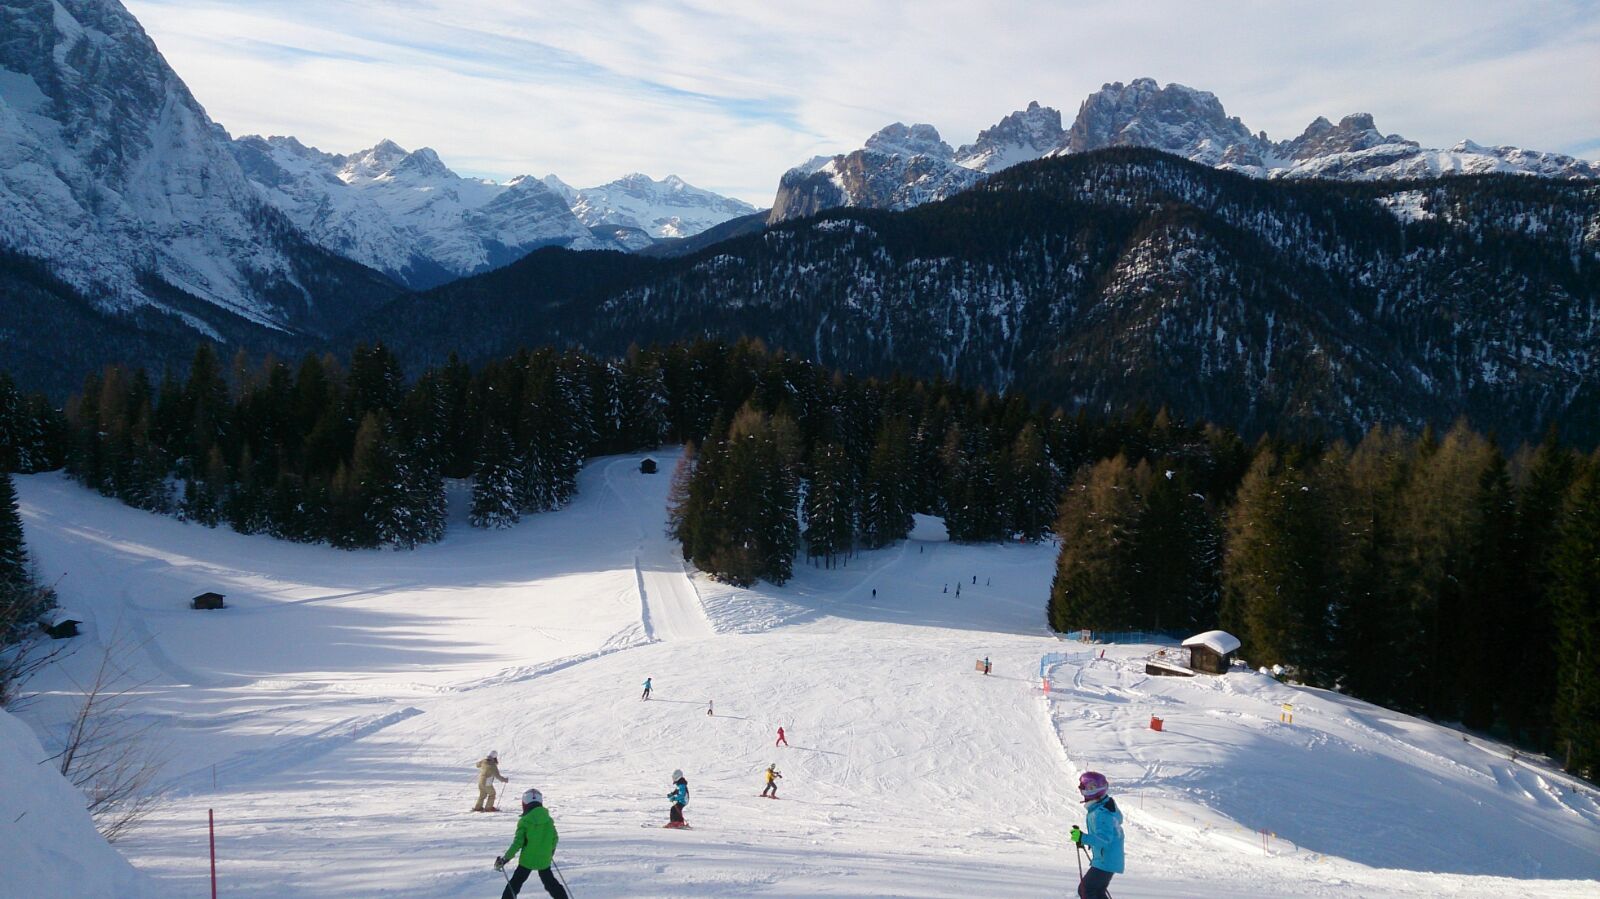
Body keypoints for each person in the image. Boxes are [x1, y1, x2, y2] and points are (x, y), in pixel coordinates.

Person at [495, 789, 567, 898]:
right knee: (550, 882)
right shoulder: (548, 820)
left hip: (527, 861)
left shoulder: (525, 821)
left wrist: (505, 859)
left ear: (525, 804)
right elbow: (555, 838)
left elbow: (517, 843)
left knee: (515, 883)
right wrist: (550, 851)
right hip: (544, 859)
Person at [1070, 771, 1124, 899]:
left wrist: (1082, 837)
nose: (1082, 791)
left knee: (1086, 889)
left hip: (1106, 860)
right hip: (1106, 859)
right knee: (1097, 891)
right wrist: (1083, 839)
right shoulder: (1101, 807)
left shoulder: (1101, 813)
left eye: (1087, 788)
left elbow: (1104, 840)